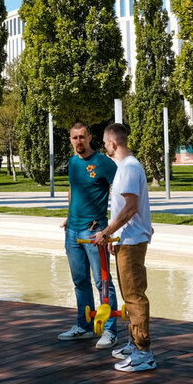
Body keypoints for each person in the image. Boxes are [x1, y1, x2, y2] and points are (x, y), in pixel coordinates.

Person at [93, 122, 156, 372]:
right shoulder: (125, 167)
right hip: (125, 240)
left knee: (135, 297)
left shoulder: (129, 167)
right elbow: (126, 208)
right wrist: (114, 237)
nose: (105, 147)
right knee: (129, 296)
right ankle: (134, 343)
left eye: (105, 143)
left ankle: (144, 352)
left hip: (131, 242)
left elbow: (131, 207)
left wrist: (107, 232)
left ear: (112, 143)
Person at [57, 122, 119, 348]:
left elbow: (121, 193)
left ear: (90, 137)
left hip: (95, 231)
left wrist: (112, 227)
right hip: (72, 231)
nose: (78, 142)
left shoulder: (103, 163)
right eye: (74, 138)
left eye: (82, 137)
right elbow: (73, 188)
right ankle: (83, 326)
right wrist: (69, 214)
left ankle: (110, 330)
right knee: (79, 280)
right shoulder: (73, 162)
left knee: (102, 282)